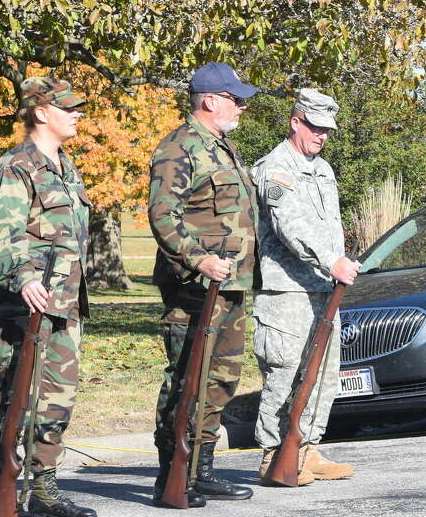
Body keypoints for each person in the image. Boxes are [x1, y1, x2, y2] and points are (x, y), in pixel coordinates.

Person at [0, 76, 96, 517]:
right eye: (69, 108)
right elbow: (3, 239)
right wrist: (26, 278)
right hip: (22, 307)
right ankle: (2, 486)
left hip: (63, 306)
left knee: (57, 400)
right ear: (41, 113)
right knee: (18, 399)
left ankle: (43, 486)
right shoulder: (16, 167)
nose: (77, 114)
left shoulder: (66, 167)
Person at [148, 62, 260, 507]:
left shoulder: (222, 147)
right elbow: (162, 216)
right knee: (187, 378)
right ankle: (173, 473)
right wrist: (199, 260)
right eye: (235, 99)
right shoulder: (180, 148)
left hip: (231, 285)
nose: (242, 107)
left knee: (221, 380)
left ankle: (202, 469)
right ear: (209, 100)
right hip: (196, 288)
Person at [250, 89, 358, 486]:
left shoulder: (323, 169)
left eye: (327, 129)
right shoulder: (275, 168)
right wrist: (332, 261)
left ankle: (307, 449)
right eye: (314, 127)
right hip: (287, 291)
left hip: (324, 289)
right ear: (295, 121)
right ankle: (273, 454)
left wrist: (336, 266)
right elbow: (289, 225)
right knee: (285, 372)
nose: (321, 135)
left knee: (323, 373)